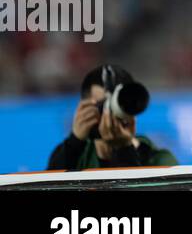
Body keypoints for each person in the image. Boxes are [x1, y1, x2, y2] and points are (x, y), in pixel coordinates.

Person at [46, 64, 178, 171]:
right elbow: (50, 184)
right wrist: (74, 141)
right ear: (83, 110)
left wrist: (125, 149)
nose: (110, 114)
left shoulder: (159, 162)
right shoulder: (76, 157)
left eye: (119, 104)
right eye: (102, 105)